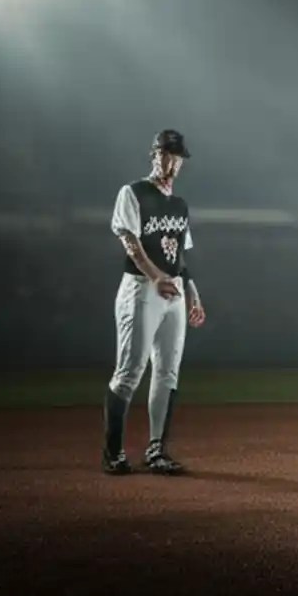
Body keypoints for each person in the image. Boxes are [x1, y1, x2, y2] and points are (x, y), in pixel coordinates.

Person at [102, 129, 207, 476]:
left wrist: (192, 291)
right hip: (141, 288)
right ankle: (112, 453)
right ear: (153, 155)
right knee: (130, 371)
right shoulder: (133, 192)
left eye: (177, 157)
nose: (171, 162)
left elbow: (179, 254)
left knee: (167, 372)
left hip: (173, 288)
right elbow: (130, 242)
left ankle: (156, 449)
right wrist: (155, 277)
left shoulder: (180, 205)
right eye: (165, 154)